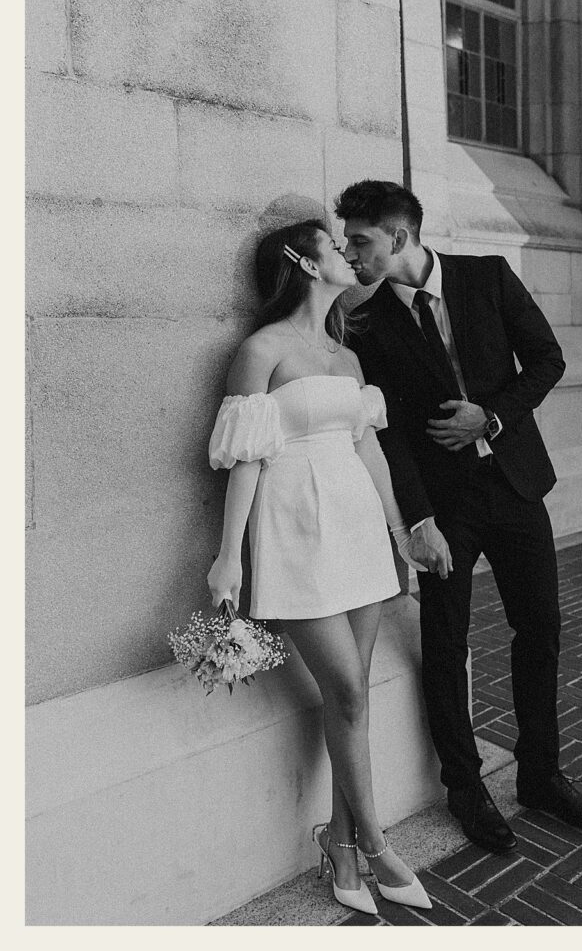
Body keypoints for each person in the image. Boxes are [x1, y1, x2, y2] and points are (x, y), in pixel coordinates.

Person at [335, 180, 582, 855]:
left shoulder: (488, 278)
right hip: (446, 507)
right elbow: (392, 431)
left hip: (515, 483)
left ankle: (542, 775)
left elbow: (548, 360)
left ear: (400, 237)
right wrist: (418, 519)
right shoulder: (369, 323)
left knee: (540, 629)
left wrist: (489, 417)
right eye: (346, 241)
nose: (350, 252)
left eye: (361, 239)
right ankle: (465, 788)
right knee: (446, 642)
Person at [207, 218, 444, 916]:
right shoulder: (261, 350)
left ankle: (339, 846)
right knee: (345, 690)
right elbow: (248, 457)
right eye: (335, 247)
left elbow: (369, 450)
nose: (348, 253)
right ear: (305, 264)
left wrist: (399, 530)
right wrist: (229, 557)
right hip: (294, 530)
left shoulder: (345, 355)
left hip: (358, 530)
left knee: (356, 695)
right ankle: (375, 844)